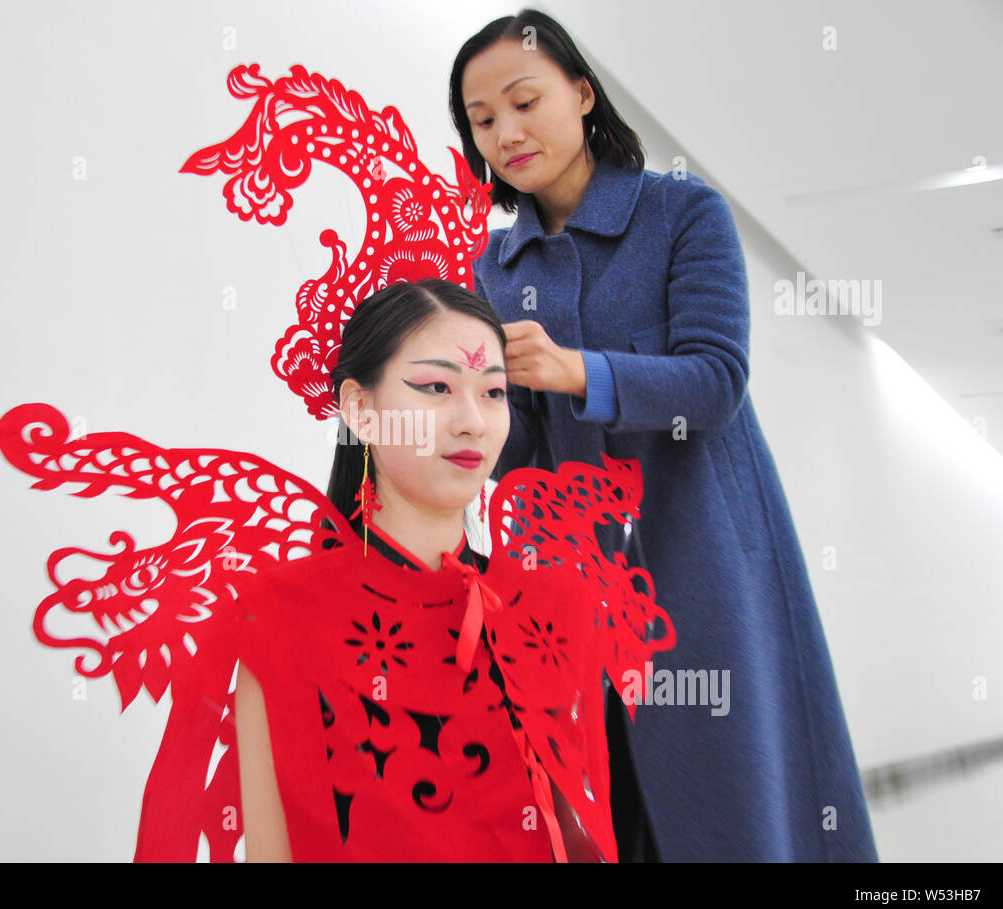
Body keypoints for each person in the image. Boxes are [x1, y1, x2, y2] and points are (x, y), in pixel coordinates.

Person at [449, 8, 878, 861]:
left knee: (731, 792)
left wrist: (579, 371)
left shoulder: (685, 215)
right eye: (483, 119)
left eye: (525, 101)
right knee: (608, 804)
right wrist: (458, 419)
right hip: (568, 583)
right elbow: (524, 446)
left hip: (703, 557)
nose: (507, 131)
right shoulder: (491, 267)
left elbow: (717, 381)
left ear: (582, 92)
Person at [118, 278, 677, 861]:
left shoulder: (557, 607)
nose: (472, 422)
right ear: (359, 410)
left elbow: (599, 833)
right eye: (436, 386)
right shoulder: (283, 616)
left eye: (493, 393)